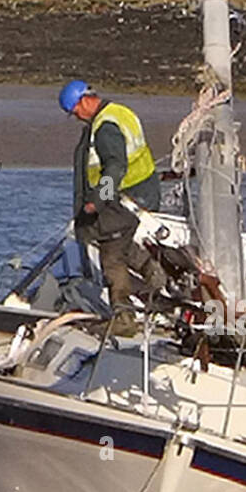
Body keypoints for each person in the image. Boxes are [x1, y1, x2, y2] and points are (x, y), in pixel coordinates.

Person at [58, 79, 163, 334]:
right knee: (115, 243)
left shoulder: (105, 127)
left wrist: (98, 199)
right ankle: (153, 272)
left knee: (111, 254)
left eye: (75, 112)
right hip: (142, 192)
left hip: (125, 198)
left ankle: (124, 317)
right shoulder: (119, 112)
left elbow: (115, 166)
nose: (77, 118)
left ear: (84, 101)